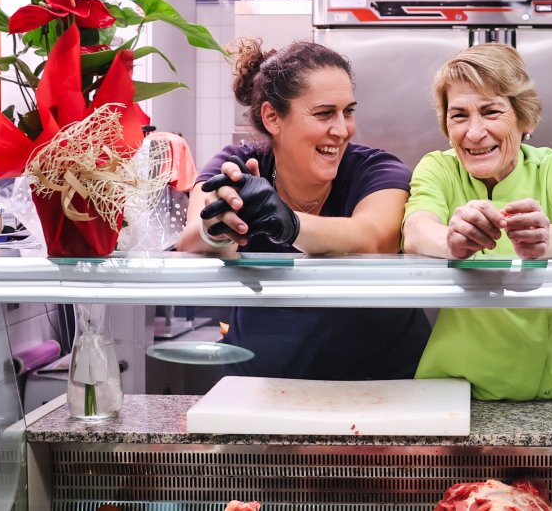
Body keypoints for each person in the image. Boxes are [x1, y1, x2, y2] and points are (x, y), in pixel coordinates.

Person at [177, 39, 431, 380]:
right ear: (272, 117)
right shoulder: (236, 166)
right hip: (259, 383)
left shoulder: (376, 170)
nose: (341, 130)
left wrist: (290, 223)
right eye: (325, 113)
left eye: (348, 112)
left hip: (382, 385)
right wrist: (221, 227)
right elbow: (191, 242)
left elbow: (374, 238)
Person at [402, 43, 552, 401]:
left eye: (491, 111)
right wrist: (451, 242)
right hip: (455, 388)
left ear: (524, 118)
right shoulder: (439, 168)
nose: (474, 133)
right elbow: (416, 231)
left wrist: (546, 239)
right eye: (459, 115)